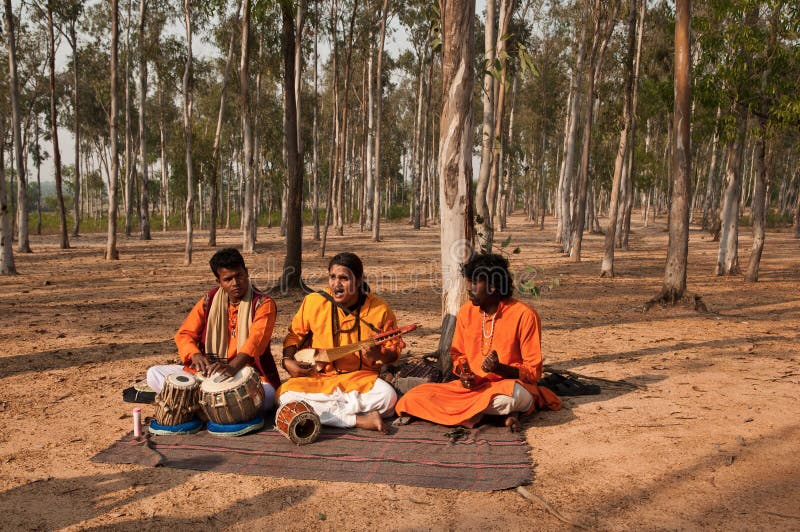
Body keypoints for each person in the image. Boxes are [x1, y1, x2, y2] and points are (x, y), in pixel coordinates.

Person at [395, 253, 561, 431]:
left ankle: (477, 413)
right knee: (414, 397)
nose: (469, 288)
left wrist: (500, 368)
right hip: (473, 389)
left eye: (474, 283)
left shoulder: (524, 315)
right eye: (469, 282)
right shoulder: (467, 312)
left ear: (492, 287)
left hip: (509, 387)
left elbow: (533, 373)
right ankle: (496, 416)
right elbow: (459, 355)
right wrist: (465, 375)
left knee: (508, 398)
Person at [277, 252, 404, 433]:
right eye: (332, 277)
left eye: (344, 278)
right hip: (320, 379)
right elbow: (294, 335)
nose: (336, 284)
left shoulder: (380, 309)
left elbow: (394, 350)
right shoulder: (314, 302)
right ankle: (358, 419)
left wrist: (380, 355)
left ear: (359, 280)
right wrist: (287, 360)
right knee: (284, 397)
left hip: (361, 380)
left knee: (388, 398)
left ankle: (331, 414)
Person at [146, 248, 280, 411]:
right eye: (228, 279)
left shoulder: (263, 304)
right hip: (209, 373)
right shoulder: (208, 300)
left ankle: (198, 404)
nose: (235, 283)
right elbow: (185, 334)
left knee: (267, 396)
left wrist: (231, 368)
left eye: (239, 275)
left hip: (249, 375)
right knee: (154, 373)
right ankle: (210, 404)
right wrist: (195, 355)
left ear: (246, 272)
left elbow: (255, 342)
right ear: (219, 282)